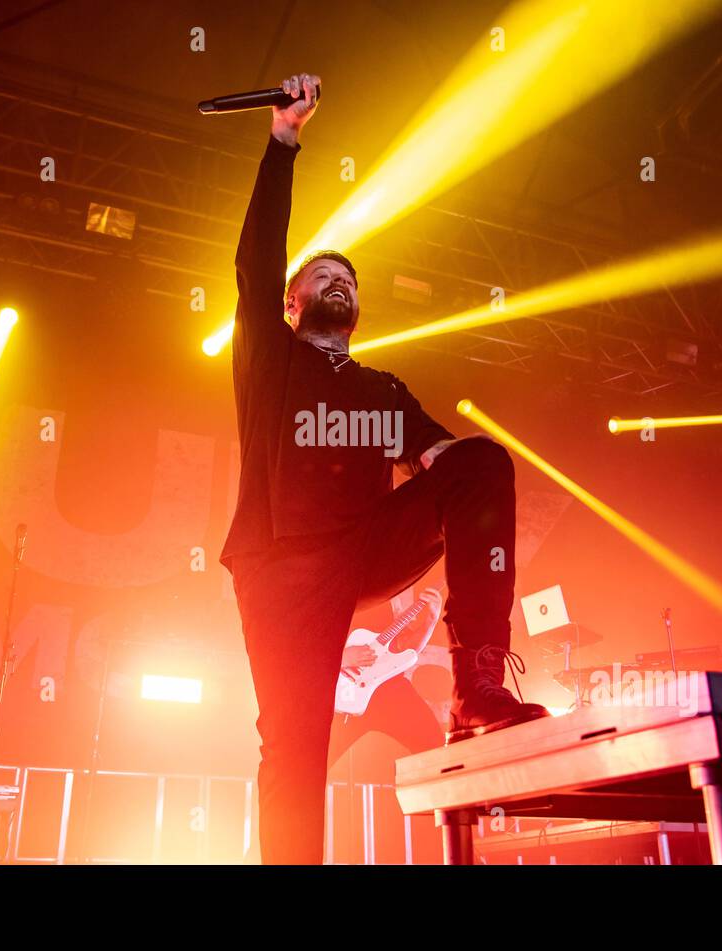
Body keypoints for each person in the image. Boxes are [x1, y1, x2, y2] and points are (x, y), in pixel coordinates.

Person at [220, 72, 548, 863]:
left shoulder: (381, 387)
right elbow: (257, 259)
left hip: (365, 546)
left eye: (350, 281)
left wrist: (453, 475)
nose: (340, 283)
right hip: (284, 569)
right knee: (293, 748)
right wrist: (284, 140)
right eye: (322, 279)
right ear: (294, 305)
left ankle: (476, 689)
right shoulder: (269, 359)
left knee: (482, 462)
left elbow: (437, 454)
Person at [328, 586, 446, 765]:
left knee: (433, 745)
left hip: (388, 689)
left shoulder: (380, 589)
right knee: (308, 764)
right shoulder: (322, 589)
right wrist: (341, 657)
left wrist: (431, 619)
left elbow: (403, 648)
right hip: (340, 693)